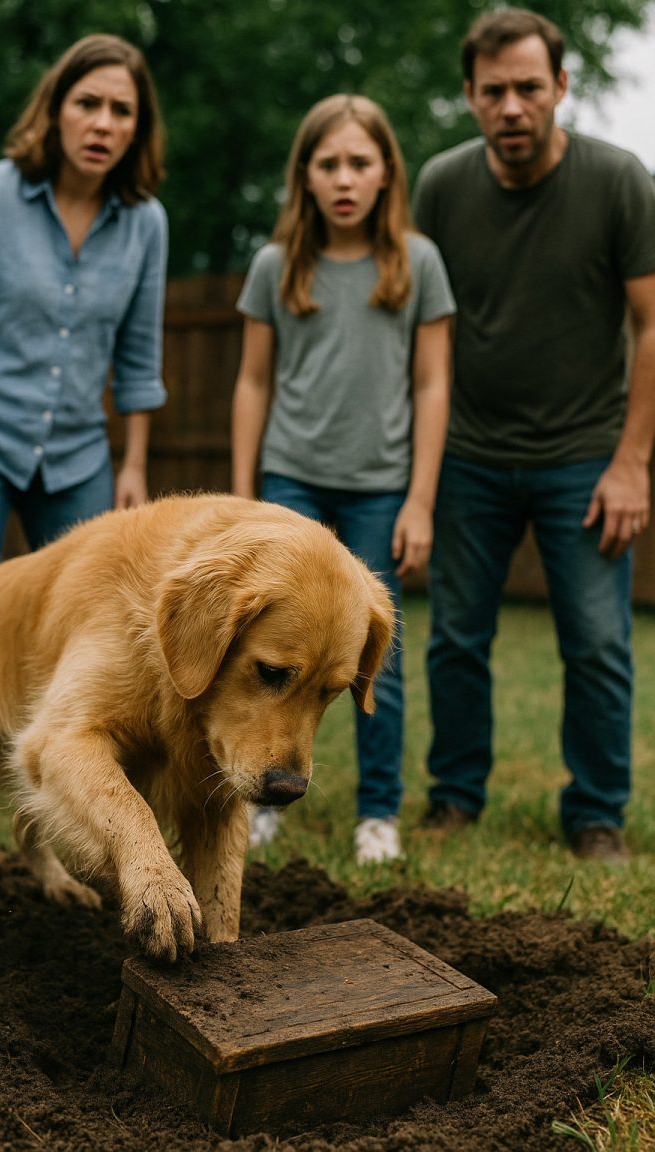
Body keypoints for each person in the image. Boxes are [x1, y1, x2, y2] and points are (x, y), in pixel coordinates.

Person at [412, 8, 655, 862]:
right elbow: (419, 326)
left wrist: (632, 464)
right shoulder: (440, 186)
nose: (511, 107)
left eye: (527, 87)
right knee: (454, 637)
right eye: (493, 92)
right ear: (470, 98)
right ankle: (454, 797)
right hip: (470, 454)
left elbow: (651, 325)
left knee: (596, 642)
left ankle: (595, 813)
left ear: (560, 85)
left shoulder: (619, 181)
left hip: (585, 459)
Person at [231, 94, 455, 865]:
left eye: (360, 162)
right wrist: (246, 499)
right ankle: (260, 797)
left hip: (379, 487)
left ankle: (379, 812)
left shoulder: (416, 263)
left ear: (387, 171)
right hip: (291, 483)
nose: (345, 178)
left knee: (368, 661)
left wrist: (420, 498)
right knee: (275, 657)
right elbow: (254, 382)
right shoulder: (276, 265)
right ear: (307, 175)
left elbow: (432, 383)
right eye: (328, 164)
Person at [0, 33, 168, 637]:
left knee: (89, 622)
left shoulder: (147, 225)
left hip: (78, 457)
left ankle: (53, 738)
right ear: (55, 109)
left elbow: (139, 361)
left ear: (137, 129)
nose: (102, 124)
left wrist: (133, 466)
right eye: (87, 103)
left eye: (121, 111)